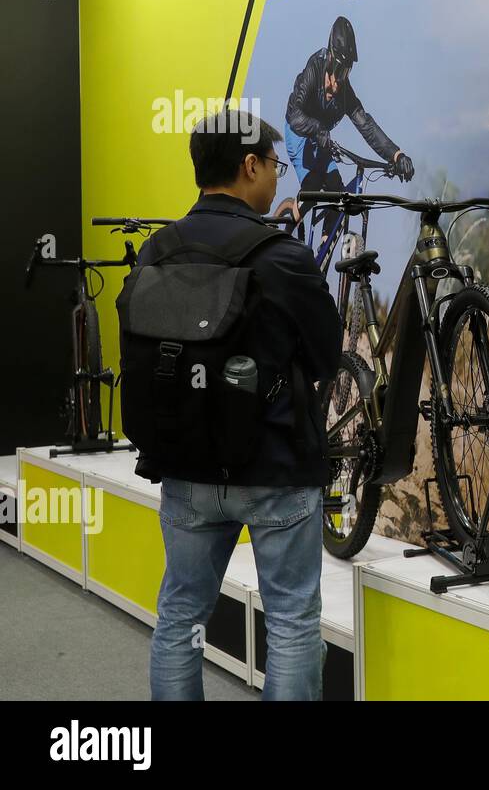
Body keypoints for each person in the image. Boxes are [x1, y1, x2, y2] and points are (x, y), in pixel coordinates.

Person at [141, 110, 342, 700]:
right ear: (249, 166)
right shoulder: (282, 257)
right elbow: (328, 359)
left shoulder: (158, 249)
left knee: (180, 618)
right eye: (275, 165)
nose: (279, 176)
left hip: (185, 465)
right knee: (290, 623)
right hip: (276, 468)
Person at [284, 16, 414, 252]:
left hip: (321, 138)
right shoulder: (313, 69)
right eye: (335, 74)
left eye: (344, 75)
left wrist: (396, 155)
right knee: (313, 186)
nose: (337, 84)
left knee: (337, 191)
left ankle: (320, 256)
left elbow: (367, 125)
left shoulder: (345, 92)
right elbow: (295, 116)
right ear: (329, 60)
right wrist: (317, 129)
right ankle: (281, 237)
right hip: (300, 131)